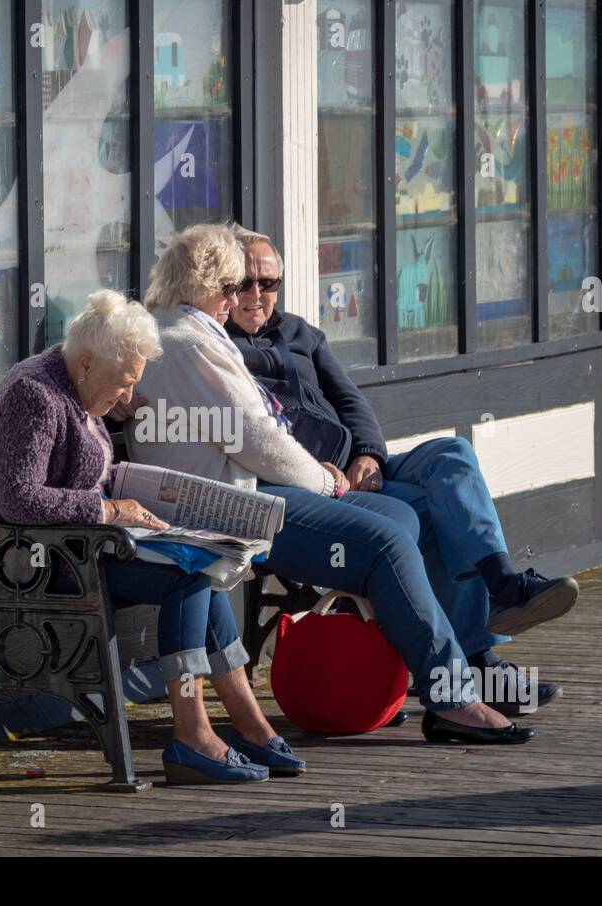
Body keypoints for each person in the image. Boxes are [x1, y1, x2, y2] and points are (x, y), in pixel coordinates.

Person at [126, 223, 533, 744]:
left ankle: (385, 678)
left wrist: (358, 462)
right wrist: (330, 485)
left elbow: (315, 414)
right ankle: (453, 696)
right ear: (201, 283)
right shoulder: (187, 342)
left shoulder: (190, 333)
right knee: (385, 539)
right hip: (231, 507)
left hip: (242, 490)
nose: (241, 299)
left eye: (253, 286)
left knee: (404, 516)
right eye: (231, 287)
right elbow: (260, 441)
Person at [221, 226, 579, 710]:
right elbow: (256, 440)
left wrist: (368, 453)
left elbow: (350, 399)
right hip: (313, 489)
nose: (258, 295)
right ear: (224, 284)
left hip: (363, 467)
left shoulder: (301, 334)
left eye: (269, 283)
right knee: (433, 516)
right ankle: (478, 661)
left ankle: (503, 585)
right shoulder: (219, 349)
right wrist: (324, 474)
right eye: (246, 283)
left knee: (452, 456)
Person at [0, 288, 305, 784]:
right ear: (87, 362)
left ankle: (243, 721)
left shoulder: (76, 384)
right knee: (188, 576)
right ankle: (195, 733)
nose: (128, 398)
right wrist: (107, 508)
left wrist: (145, 497)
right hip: (36, 561)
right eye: (123, 383)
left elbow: (78, 474)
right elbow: (20, 500)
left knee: (204, 562)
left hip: (79, 547)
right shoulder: (35, 395)